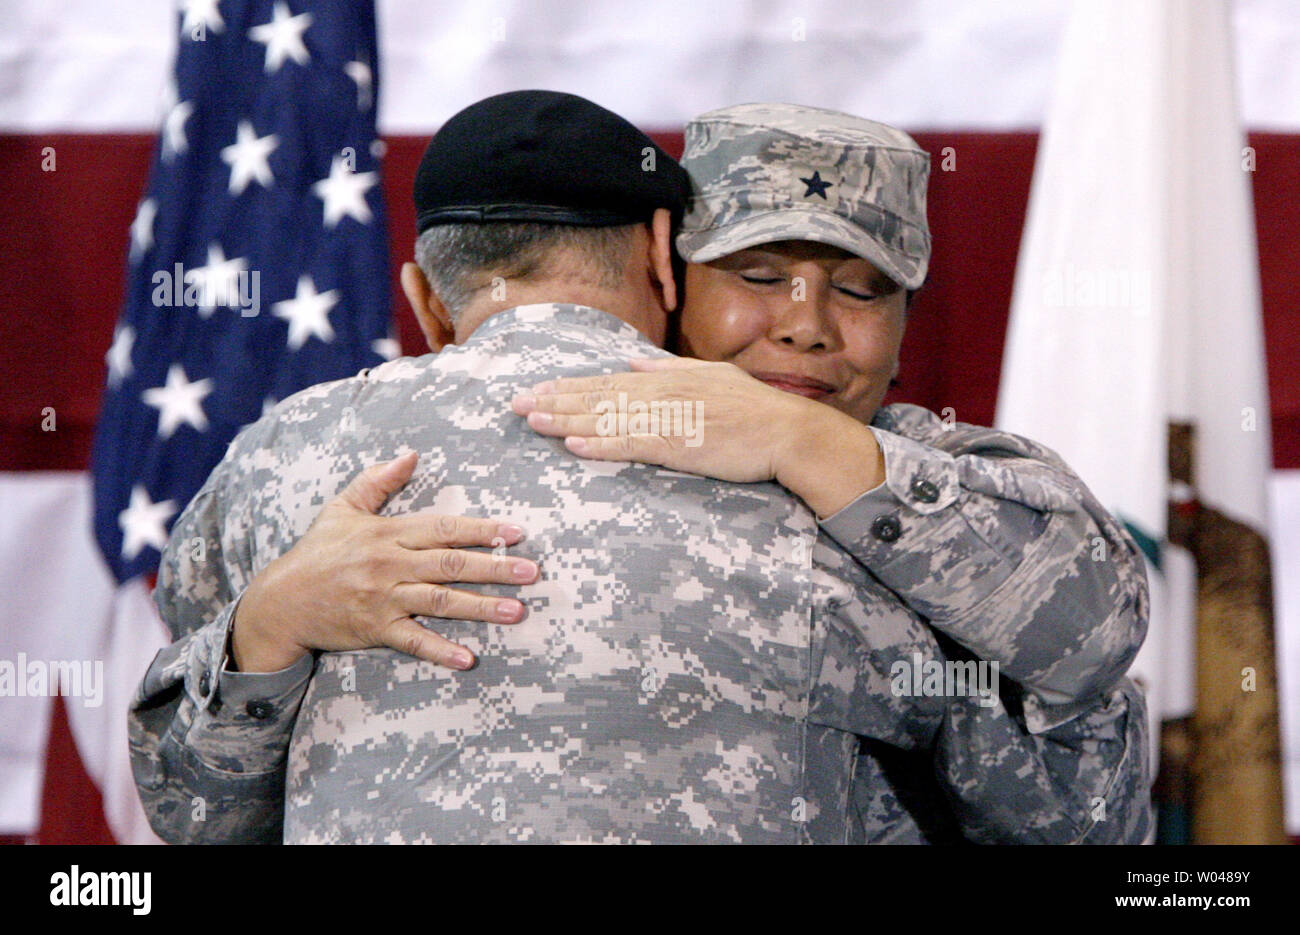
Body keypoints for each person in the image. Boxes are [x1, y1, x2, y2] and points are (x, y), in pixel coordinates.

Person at [129, 91, 953, 844]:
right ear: (665, 258)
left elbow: (194, 808)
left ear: (424, 299)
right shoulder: (836, 469)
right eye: (766, 277)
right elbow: (1028, 777)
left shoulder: (281, 456)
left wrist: (265, 626)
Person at [514, 103, 1152, 843]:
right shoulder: (569, 439)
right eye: (758, 275)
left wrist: (803, 442)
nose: (806, 324)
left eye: (858, 291)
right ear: (672, 283)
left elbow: (1097, 626)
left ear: (905, 324)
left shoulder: (965, 480)